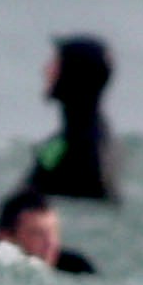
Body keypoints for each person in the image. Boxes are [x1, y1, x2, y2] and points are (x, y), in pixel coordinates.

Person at [24, 37, 121, 204]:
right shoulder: (73, 139)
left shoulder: (75, 144)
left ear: (74, 75)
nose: (45, 70)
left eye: (56, 65)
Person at [0, 189, 98, 274]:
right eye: (38, 234)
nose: (50, 243)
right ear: (6, 238)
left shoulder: (77, 268)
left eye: (54, 232)